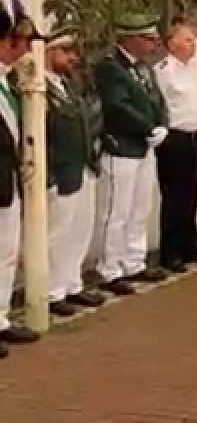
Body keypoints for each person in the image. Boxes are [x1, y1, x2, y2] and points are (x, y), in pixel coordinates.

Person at [95, 13, 170, 296]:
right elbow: (117, 106)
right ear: (129, 38)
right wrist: (148, 127)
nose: (154, 43)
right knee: (116, 212)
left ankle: (134, 261)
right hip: (123, 147)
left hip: (144, 147)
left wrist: (162, 123)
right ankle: (109, 269)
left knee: (139, 209)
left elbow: (158, 100)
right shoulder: (110, 68)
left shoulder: (144, 68)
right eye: (148, 38)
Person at [43, 26, 106, 318]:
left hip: (82, 166)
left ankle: (71, 283)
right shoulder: (37, 87)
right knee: (57, 234)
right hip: (60, 169)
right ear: (49, 51)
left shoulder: (68, 85)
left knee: (80, 229)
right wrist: (49, 175)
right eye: (66, 51)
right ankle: (51, 292)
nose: (73, 58)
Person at [0, 0, 40, 354]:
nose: (25, 52)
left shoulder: (5, 80)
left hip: (5, 179)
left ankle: (0, 318)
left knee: (6, 251)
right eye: (20, 44)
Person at [154, 17, 197, 273]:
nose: (193, 44)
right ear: (171, 44)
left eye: (193, 39)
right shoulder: (164, 71)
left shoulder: (192, 69)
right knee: (174, 197)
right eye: (187, 40)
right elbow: (159, 106)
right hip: (174, 139)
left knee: (192, 194)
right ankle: (171, 252)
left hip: (193, 137)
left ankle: (190, 246)